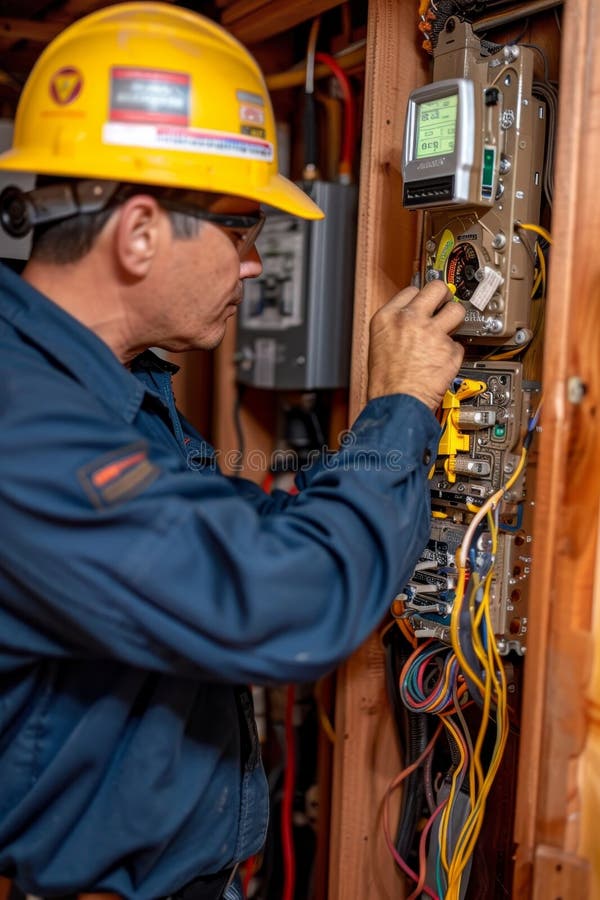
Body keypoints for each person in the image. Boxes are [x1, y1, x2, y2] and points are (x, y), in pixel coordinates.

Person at [0, 4, 464, 899]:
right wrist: (399, 407)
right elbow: (281, 606)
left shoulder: (107, 390)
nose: (255, 263)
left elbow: (237, 532)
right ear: (138, 234)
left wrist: (369, 464)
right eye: (241, 225)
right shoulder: (28, 427)